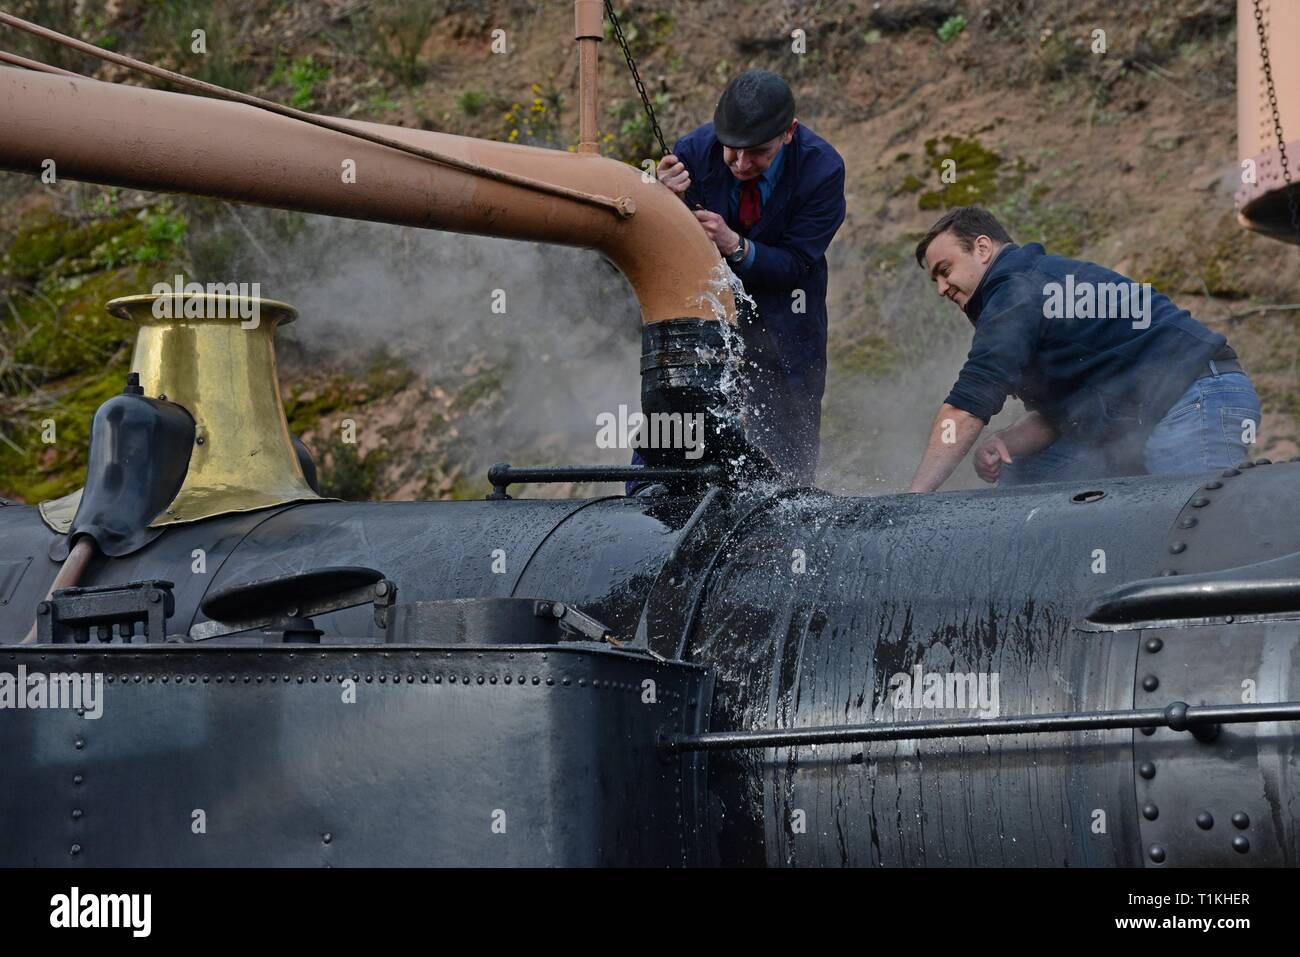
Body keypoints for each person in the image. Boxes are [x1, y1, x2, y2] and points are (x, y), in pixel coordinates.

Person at [907, 206, 1262, 492]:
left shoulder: (1018, 289)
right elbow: (1061, 415)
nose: (941, 288)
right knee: (1028, 474)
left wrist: (915, 500)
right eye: (934, 280)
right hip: (1139, 419)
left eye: (945, 270)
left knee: (1193, 517)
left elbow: (968, 405)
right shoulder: (1026, 291)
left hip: (1197, 395)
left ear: (982, 248)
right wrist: (1005, 441)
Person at [654, 68, 846, 482]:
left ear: (789, 133)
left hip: (788, 322)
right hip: (707, 316)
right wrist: (661, 196)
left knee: (788, 451)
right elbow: (659, 239)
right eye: (732, 149)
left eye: (757, 152)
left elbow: (798, 263)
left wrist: (734, 245)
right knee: (679, 419)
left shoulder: (823, 170)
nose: (740, 163)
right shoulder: (693, 150)